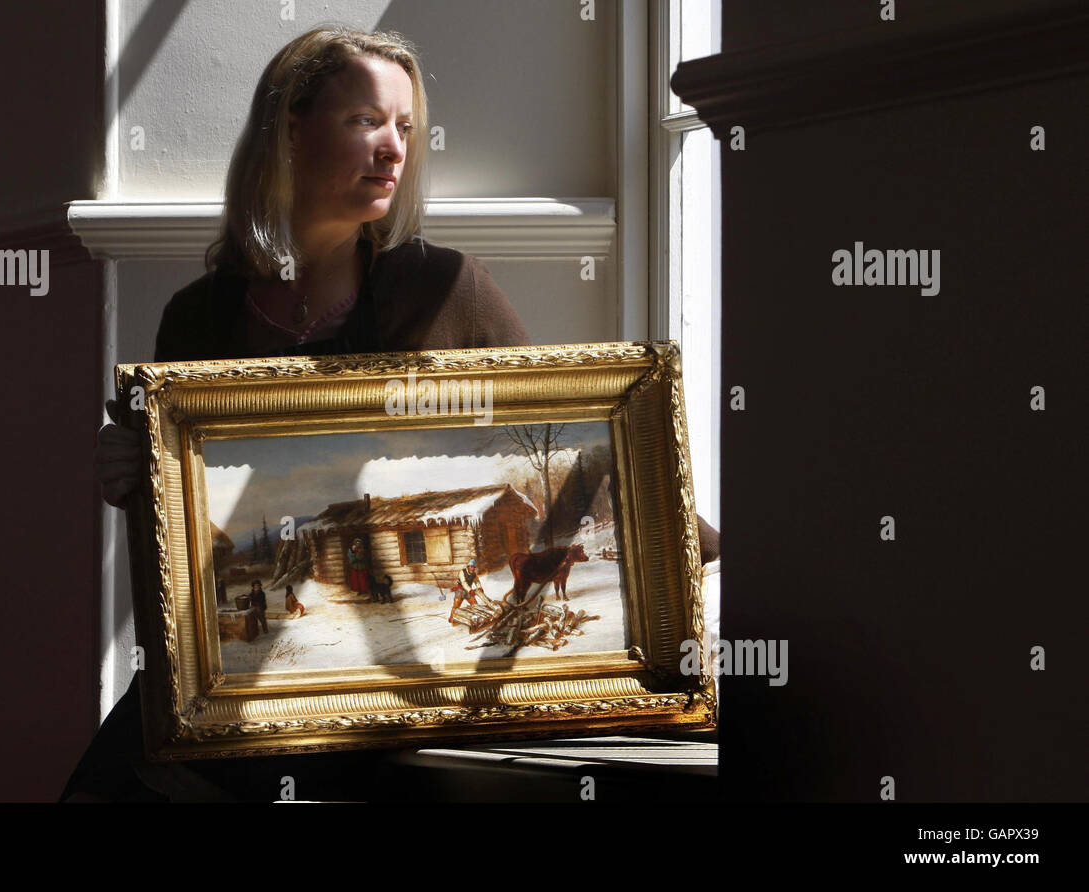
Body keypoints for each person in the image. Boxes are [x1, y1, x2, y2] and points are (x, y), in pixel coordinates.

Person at [71, 25, 717, 802]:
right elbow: (188, 532)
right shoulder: (197, 318)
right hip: (233, 682)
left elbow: (571, 432)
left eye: (405, 127)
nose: (394, 149)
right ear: (289, 128)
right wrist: (133, 475)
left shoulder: (447, 288)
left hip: (400, 692)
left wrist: (686, 545)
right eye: (365, 121)